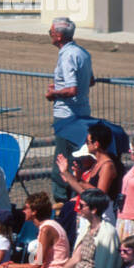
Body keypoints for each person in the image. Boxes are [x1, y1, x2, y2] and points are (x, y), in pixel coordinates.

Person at [47, 17, 94, 202]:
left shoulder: (67, 56)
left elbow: (72, 89)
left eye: (50, 32)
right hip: (82, 113)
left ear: (58, 36)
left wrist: (53, 93)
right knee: (78, 161)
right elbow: (90, 81)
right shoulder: (83, 53)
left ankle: (62, 202)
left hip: (67, 116)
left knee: (61, 163)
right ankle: (77, 198)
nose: (49, 35)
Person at [54, 122, 122, 230]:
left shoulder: (107, 166)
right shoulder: (96, 163)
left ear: (96, 144)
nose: (86, 144)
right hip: (91, 214)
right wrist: (66, 173)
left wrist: (80, 181)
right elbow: (83, 191)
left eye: (87, 142)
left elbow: (99, 195)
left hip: (102, 216)